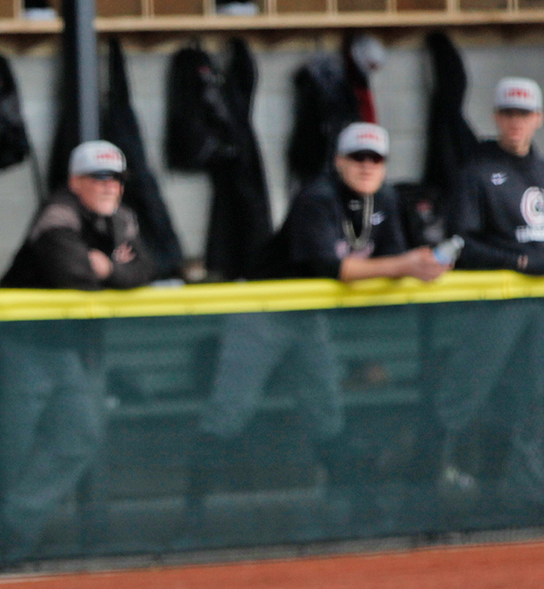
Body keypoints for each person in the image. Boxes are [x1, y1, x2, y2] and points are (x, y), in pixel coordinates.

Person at [187, 123, 446, 518]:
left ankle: (358, 506)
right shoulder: (317, 196)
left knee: (326, 411)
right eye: (357, 157)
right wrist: (406, 263)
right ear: (339, 161)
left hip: (308, 316)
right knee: (231, 410)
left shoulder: (386, 198)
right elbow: (333, 267)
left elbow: (392, 255)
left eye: (375, 158)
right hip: (264, 309)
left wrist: (419, 263)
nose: (366, 166)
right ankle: (193, 513)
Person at [0, 141, 154, 559]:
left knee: (80, 434)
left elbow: (148, 267)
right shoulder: (59, 213)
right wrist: (107, 268)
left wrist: (110, 268)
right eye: (97, 178)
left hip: (71, 348)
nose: (108, 186)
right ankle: (0, 540)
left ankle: (17, 526)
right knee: (15, 444)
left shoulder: (120, 218)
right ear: (75, 182)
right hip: (21, 343)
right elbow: (72, 272)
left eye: (115, 178)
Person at [431, 78, 544, 502]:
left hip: (543, 304)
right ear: (497, 118)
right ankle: (429, 490)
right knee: (465, 396)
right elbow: (461, 243)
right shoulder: (476, 170)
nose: (516, 122)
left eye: (524, 114)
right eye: (509, 114)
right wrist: (518, 261)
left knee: (530, 398)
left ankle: (519, 493)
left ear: (538, 119)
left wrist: (539, 262)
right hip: (494, 305)